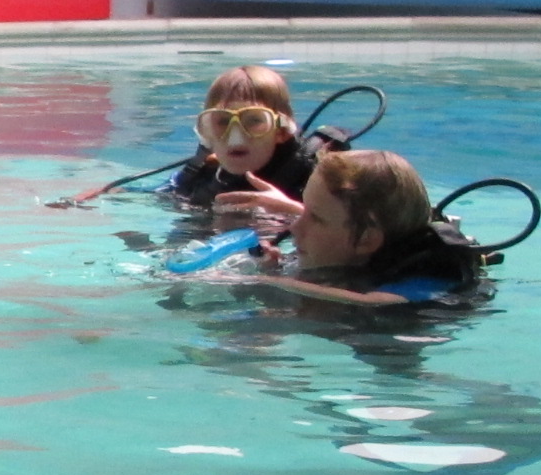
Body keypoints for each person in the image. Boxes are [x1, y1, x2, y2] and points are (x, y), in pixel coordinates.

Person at [227, 149, 493, 307]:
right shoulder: (351, 253)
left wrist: (265, 283)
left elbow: (373, 304)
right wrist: (272, 271)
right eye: (302, 210)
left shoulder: (424, 280)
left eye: (316, 218)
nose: (295, 227)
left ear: (367, 240)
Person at [166, 65, 320, 210]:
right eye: (223, 121)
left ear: (282, 131)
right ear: (206, 133)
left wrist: (294, 213)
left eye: (254, 120)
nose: (235, 136)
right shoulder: (198, 178)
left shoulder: (316, 181)